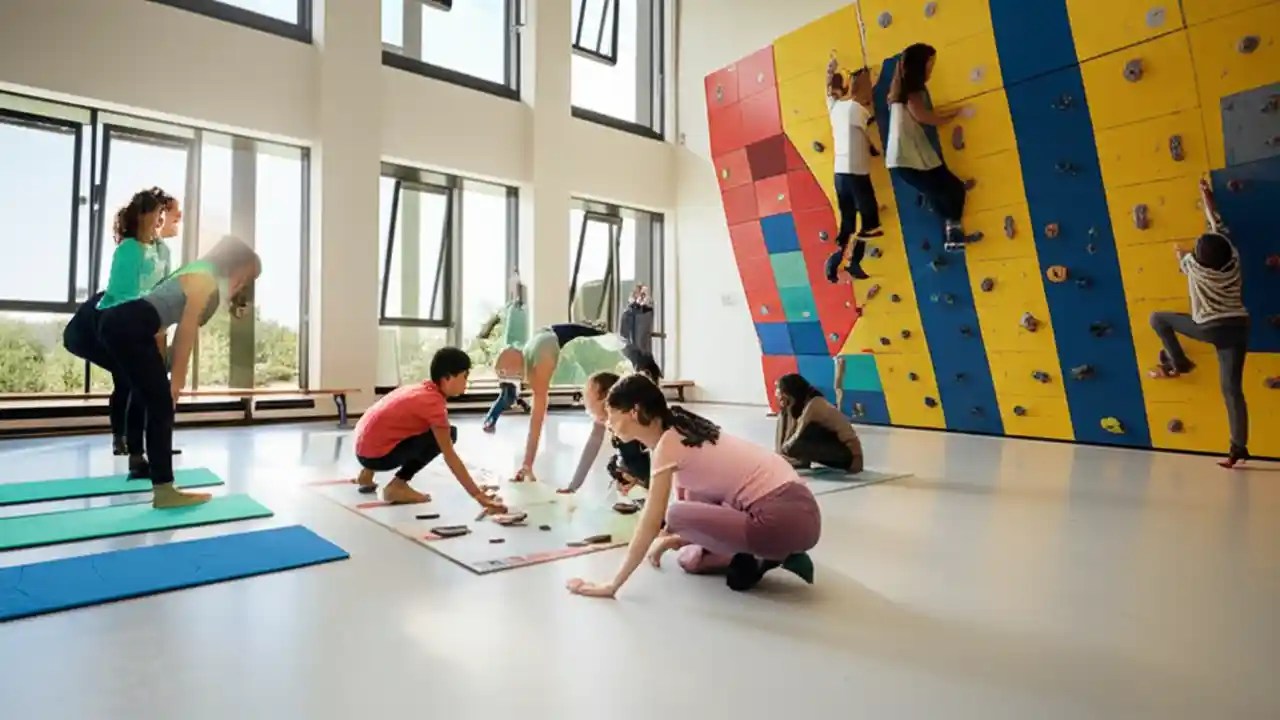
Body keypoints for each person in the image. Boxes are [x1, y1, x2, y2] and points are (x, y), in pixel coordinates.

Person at [566, 375, 822, 598]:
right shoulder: (681, 425)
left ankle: (774, 553)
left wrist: (612, 585)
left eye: (611, 414)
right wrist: (674, 540)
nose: (607, 422)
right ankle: (774, 551)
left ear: (634, 411)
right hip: (801, 511)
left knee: (675, 513)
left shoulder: (668, 447)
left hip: (782, 517)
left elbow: (651, 521)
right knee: (691, 559)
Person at [95, 235, 260, 508]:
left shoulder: (195, 271)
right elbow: (185, 332)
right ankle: (164, 491)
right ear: (236, 264)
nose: (245, 282)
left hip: (122, 325)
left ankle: (157, 481)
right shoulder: (205, 279)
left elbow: (159, 327)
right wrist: (177, 383)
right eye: (247, 275)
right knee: (161, 405)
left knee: (154, 401)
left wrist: (165, 371)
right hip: (127, 325)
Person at [63, 188, 174, 473]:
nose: (160, 219)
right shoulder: (128, 249)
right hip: (111, 321)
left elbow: (162, 288)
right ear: (142, 216)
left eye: (163, 214)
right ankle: (132, 450)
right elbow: (124, 294)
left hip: (142, 320)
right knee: (134, 381)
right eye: (155, 214)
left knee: (143, 384)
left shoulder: (162, 250)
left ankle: (141, 450)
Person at [1147, 177, 1250, 468]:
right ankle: (1238, 447)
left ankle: (1179, 363)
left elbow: (1185, 257)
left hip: (1210, 328)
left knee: (1158, 319)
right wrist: (1207, 198)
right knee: (1232, 390)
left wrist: (1180, 253)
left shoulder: (1193, 266)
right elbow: (1215, 226)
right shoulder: (1233, 257)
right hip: (1238, 328)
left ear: (1199, 259)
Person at [353, 347, 509, 511]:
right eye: (464, 376)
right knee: (449, 434)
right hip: (377, 457)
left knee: (404, 428)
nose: (466, 382)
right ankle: (398, 485)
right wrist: (478, 495)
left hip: (362, 450)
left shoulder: (419, 389)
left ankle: (366, 474)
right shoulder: (433, 404)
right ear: (447, 377)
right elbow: (450, 456)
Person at [885, 43, 972, 252]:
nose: (931, 70)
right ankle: (952, 230)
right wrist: (952, 116)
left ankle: (952, 230)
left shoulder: (898, 90)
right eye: (930, 65)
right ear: (919, 66)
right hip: (911, 159)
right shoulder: (912, 88)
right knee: (950, 190)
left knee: (948, 190)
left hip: (908, 159)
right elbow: (921, 115)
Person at [508, 322, 611, 482]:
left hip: (604, 348)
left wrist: (527, 463)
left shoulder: (540, 359)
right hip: (589, 342)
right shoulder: (531, 350)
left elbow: (538, 415)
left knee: (601, 423)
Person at [825, 61, 883, 282]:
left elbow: (828, 90)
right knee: (868, 223)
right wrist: (875, 150)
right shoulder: (856, 109)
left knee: (849, 222)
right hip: (855, 172)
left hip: (840, 173)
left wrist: (829, 71)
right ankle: (850, 262)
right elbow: (867, 135)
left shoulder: (833, 107)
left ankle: (839, 263)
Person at [559, 370, 653, 495]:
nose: (584, 396)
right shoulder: (604, 419)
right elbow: (591, 448)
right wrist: (573, 486)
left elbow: (656, 454)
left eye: (589, 391)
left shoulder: (631, 419)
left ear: (606, 397)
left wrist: (643, 482)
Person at [775, 373, 864, 473]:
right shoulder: (801, 406)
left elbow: (795, 438)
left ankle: (801, 461)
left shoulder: (814, 405)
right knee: (788, 420)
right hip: (842, 453)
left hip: (852, 458)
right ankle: (798, 460)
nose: (780, 398)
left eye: (783, 396)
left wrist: (782, 454)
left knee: (804, 435)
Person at [479, 273, 531, 433]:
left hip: (510, 359)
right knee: (505, 397)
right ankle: (490, 420)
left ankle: (523, 405)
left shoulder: (512, 311)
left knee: (509, 396)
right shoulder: (517, 311)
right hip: (510, 360)